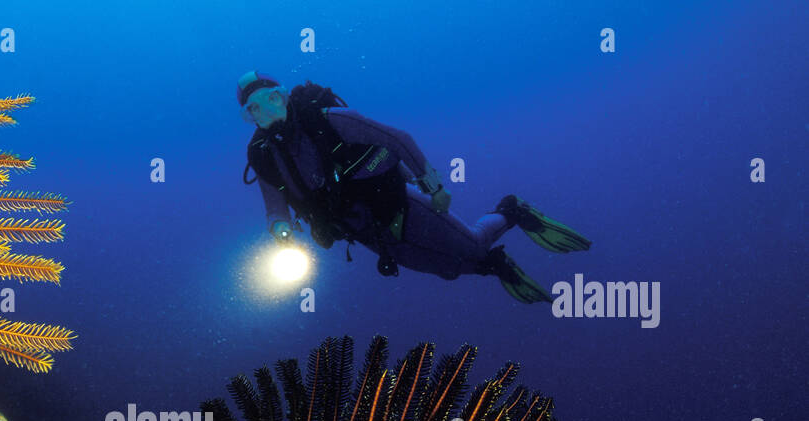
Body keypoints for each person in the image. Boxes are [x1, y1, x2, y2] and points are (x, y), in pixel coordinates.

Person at [237, 71, 592, 304]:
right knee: (444, 269)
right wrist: (280, 229)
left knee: (470, 243)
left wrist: (433, 184)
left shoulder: (329, 120)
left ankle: (512, 211)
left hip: (397, 203)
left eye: (270, 98)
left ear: (282, 95)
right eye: (253, 109)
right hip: (360, 230)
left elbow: (397, 139)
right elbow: (274, 204)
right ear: (249, 117)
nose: (265, 110)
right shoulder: (264, 155)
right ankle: (495, 266)